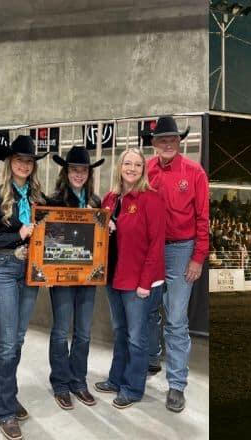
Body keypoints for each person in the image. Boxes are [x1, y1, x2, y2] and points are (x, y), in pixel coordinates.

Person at [0, 135, 46, 440]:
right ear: (10, 163)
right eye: (19, 160)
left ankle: (9, 395)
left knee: (17, 338)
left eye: (28, 161)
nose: (24, 165)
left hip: (30, 269)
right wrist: (18, 235)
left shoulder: (38, 198)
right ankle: (4, 411)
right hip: (2, 268)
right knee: (6, 341)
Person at [144, 116, 209, 413]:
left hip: (182, 249)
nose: (168, 143)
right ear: (155, 143)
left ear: (179, 142)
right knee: (148, 310)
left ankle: (177, 384)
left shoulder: (194, 172)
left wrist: (198, 257)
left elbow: (202, 218)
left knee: (176, 318)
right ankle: (151, 358)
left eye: (172, 139)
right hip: (152, 247)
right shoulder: (146, 170)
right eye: (163, 139)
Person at [95, 148, 165, 409]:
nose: (132, 168)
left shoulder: (151, 199)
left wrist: (145, 283)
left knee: (137, 337)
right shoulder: (110, 198)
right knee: (120, 332)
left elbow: (156, 245)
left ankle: (133, 388)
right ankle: (116, 379)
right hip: (114, 277)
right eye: (128, 163)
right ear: (120, 167)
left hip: (138, 281)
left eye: (137, 164)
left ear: (143, 169)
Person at [44, 146, 104, 410]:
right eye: (74, 170)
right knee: (60, 331)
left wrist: (107, 226)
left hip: (88, 275)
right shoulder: (54, 200)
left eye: (83, 170)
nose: (79, 174)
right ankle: (60, 383)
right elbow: (47, 237)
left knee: (84, 332)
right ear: (66, 172)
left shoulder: (96, 202)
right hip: (62, 275)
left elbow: (100, 237)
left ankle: (78, 381)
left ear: (89, 173)